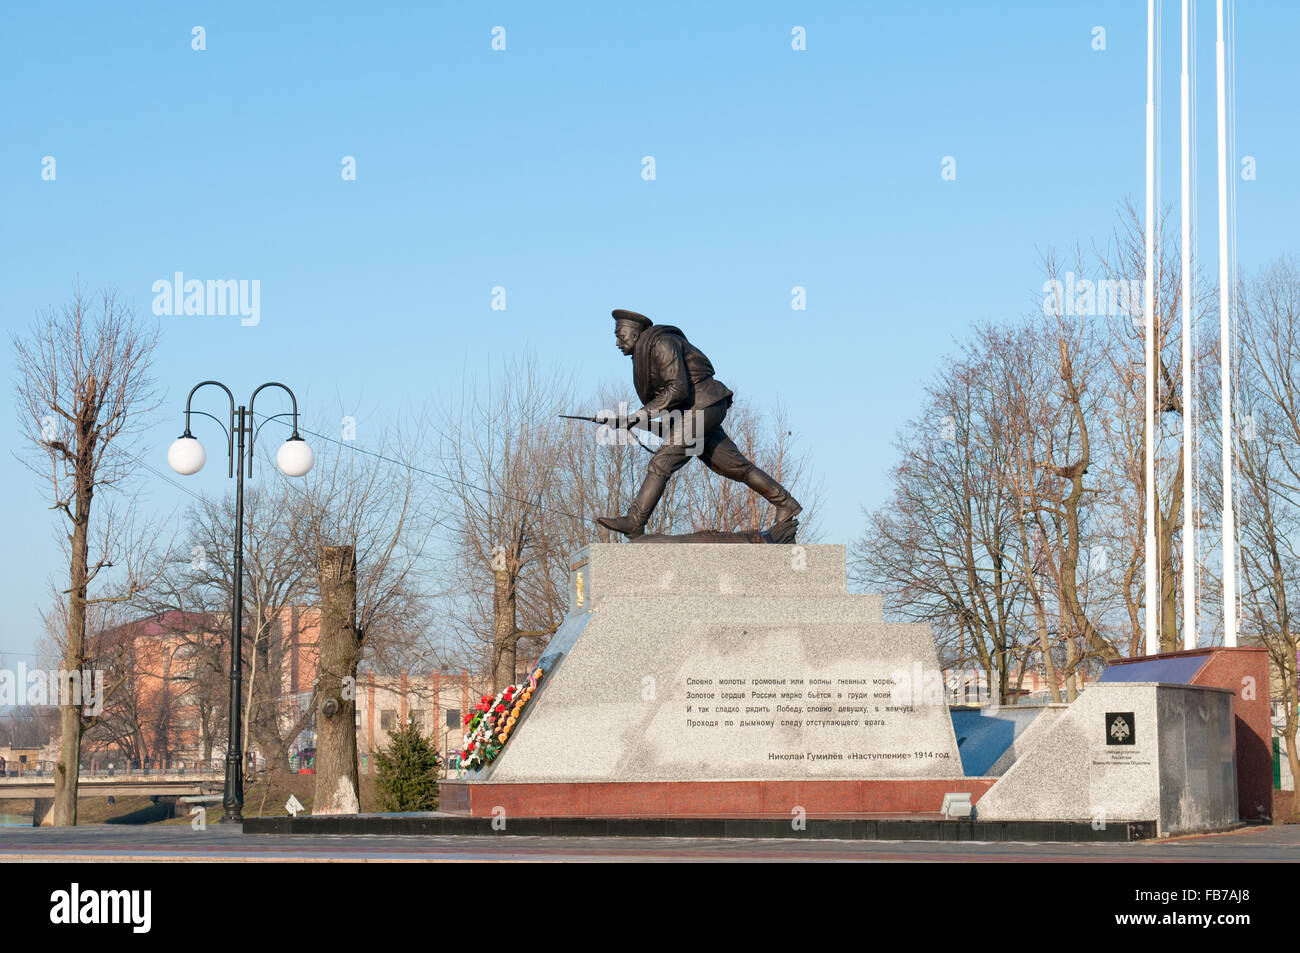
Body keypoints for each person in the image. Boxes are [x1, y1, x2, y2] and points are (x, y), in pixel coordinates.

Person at [597, 309, 801, 538]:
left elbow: (677, 389)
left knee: (662, 461)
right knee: (735, 467)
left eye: (620, 335)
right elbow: (670, 421)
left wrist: (638, 415)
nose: (617, 342)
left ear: (635, 334)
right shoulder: (646, 354)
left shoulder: (662, 343)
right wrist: (633, 422)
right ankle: (786, 503)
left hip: (704, 404)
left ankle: (635, 521)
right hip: (697, 409)